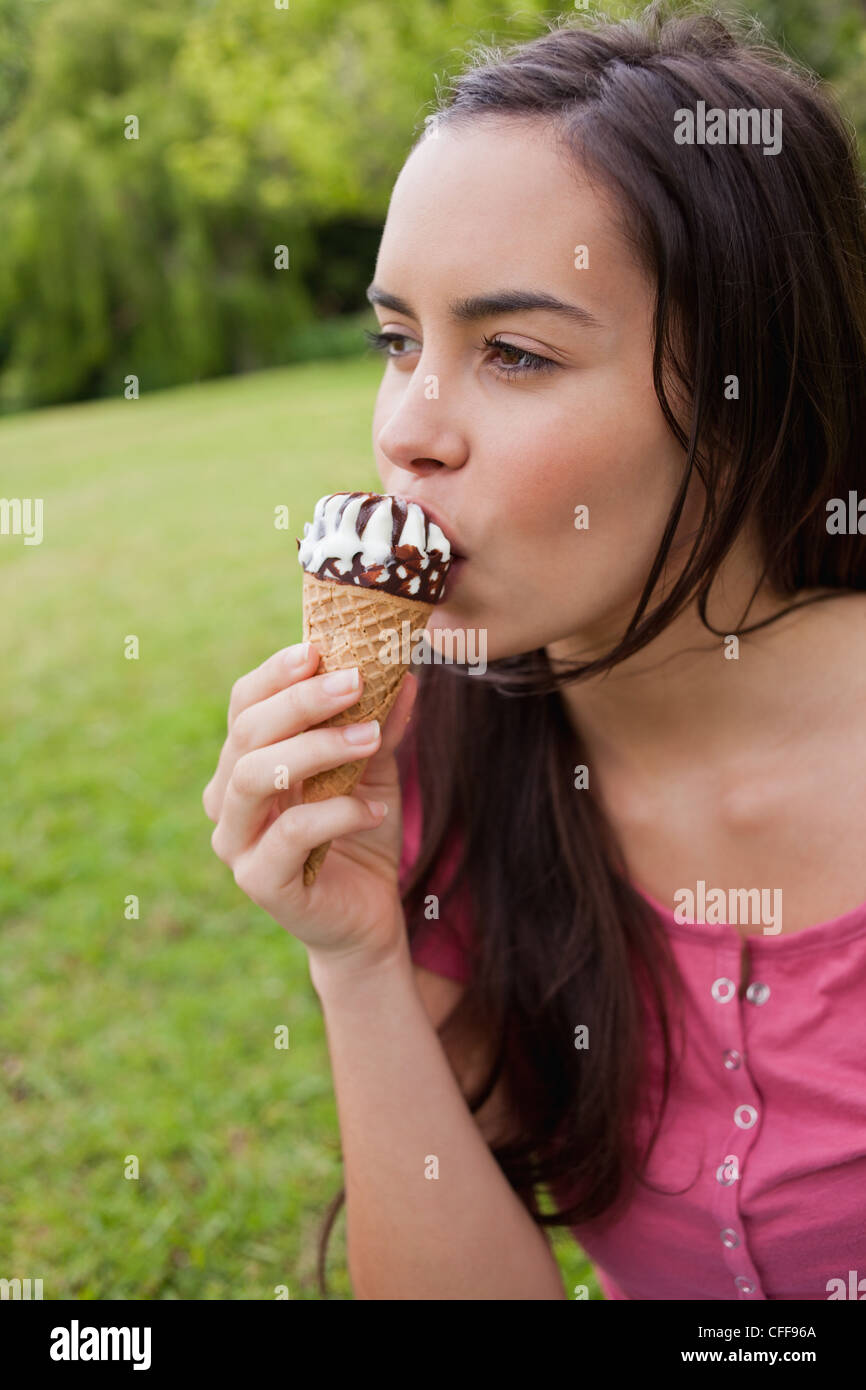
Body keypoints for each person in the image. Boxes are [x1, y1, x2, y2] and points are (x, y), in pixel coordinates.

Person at [203, 4, 866, 1300]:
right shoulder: (432, 756)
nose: (407, 431)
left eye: (512, 351)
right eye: (397, 341)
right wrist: (353, 959)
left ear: (742, 392)